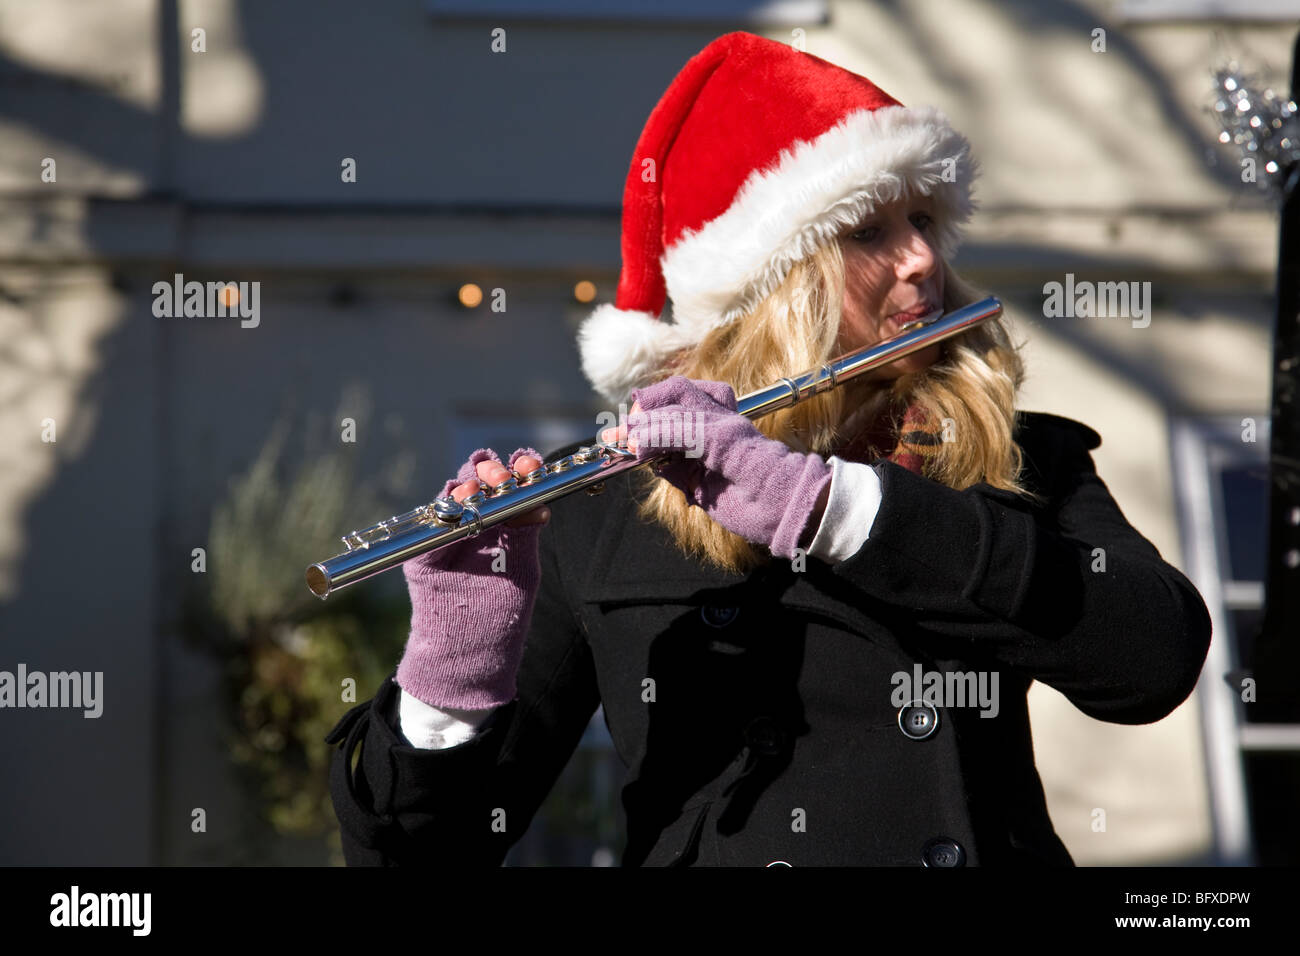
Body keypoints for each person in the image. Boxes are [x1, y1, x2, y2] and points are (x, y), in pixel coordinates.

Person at [325, 31, 1212, 867]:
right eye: (869, 231)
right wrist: (451, 671)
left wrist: (832, 510)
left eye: (924, 224)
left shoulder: (1016, 457)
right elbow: (426, 853)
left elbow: (1154, 661)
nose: (919, 262)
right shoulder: (605, 511)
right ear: (769, 287)